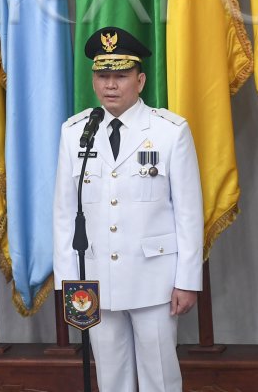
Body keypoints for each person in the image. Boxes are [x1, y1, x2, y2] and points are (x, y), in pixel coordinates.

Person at [53, 26, 203, 392]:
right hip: (96, 279)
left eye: (120, 76)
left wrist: (187, 280)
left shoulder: (170, 131)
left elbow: (188, 213)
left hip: (155, 280)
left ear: (140, 80)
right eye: (103, 75)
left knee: (160, 377)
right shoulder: (76, 132)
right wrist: (69, 282)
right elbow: (63, 212)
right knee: (111, 377)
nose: (111, 85)